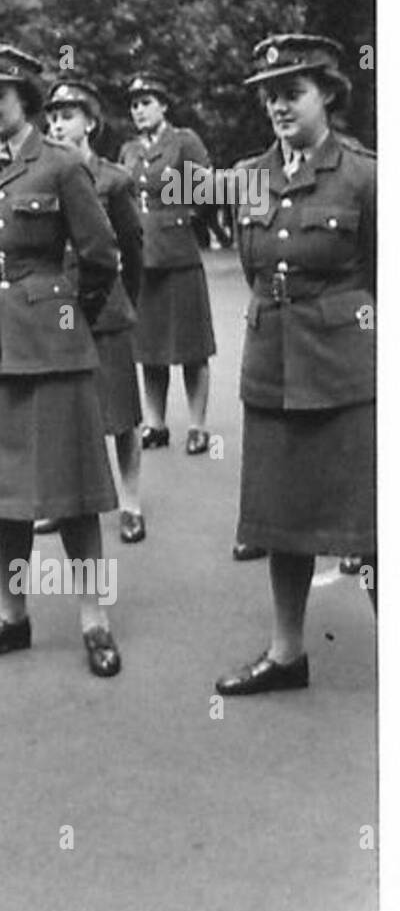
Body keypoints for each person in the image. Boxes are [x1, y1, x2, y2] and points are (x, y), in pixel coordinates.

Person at [0, 45, 124, 677]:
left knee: (73, 491)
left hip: (52, 349)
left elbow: (100, 256)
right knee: (4, 493)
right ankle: (12, 615)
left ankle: (95, 618)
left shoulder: (61, 166)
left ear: (27, 99)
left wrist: (67, 316)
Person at [215, 35, 375, 695]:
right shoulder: (250, 176)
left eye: (292, 92)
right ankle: (287, 654)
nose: (279, 105)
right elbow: (256, 269)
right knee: (281, 520)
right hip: (274, 366)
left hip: (345, 372)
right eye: (270, 95)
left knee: (370, 526)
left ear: (328, 94)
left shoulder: (367, 174)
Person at [42, 77, 147, 543]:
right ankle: (66, 502)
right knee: (65, 414)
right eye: (53, 117)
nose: (58, 124)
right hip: (59, 310)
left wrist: (127, 302)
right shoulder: (43, 173)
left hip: (106, 308)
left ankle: (130, 501)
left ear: (91, 122)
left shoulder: (114, 180)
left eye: (68, 116)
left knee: (120, 412)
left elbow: (133, 250)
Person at [119, 73, 216, 453]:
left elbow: (208, 190)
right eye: (134, 104)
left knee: (192, 347)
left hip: (178, 256)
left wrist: (187, 216)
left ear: (163, 106)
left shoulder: (184, 141)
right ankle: (155, 424)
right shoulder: (128, 150)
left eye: (146, 102)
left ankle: (197, 425)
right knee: (150, 348)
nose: (139, 110)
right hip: (142, 260)